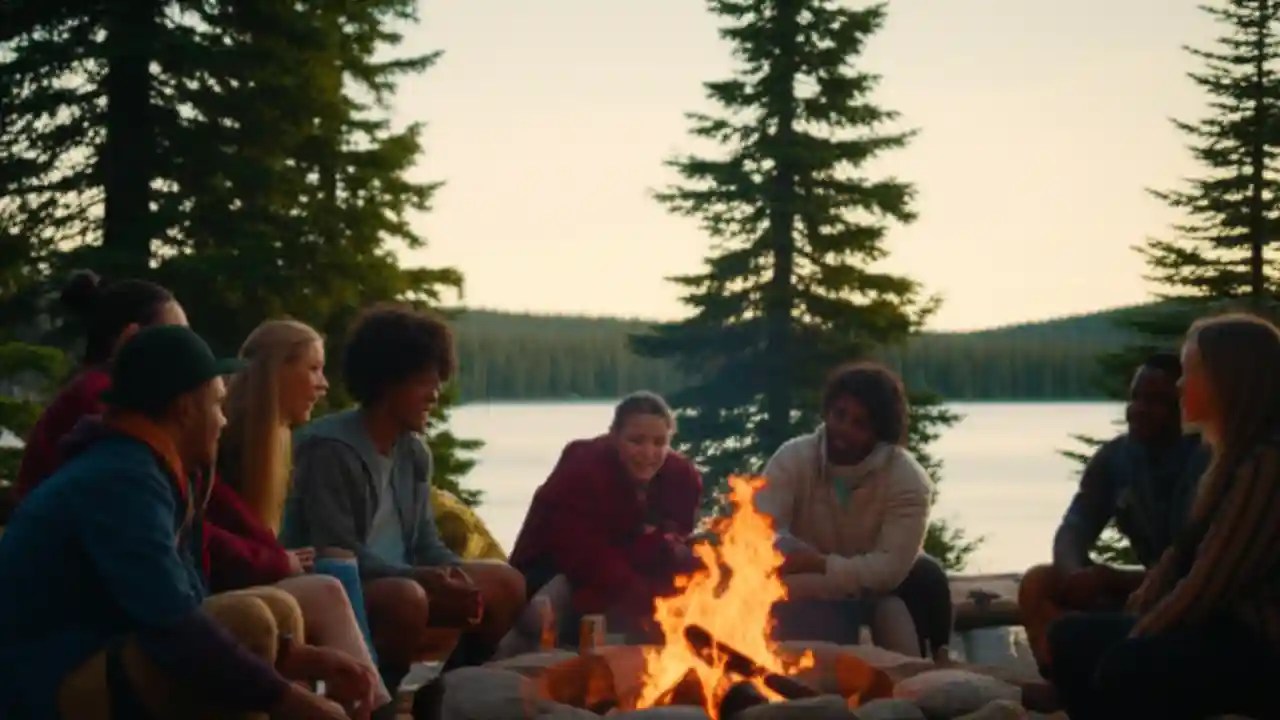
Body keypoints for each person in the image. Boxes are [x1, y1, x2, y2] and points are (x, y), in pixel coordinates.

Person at [0, 325, 371, 720]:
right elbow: (172, 622)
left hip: (95, 654)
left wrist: (299, 657)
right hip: (42, 685)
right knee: (246, 621)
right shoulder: (121, 479)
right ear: (185, 409)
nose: (223, 421)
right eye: (217, 404)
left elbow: (192, 598)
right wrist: (290, 700)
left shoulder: (152, 468)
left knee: (275, 609)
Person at [1047, 313, 1280, 720]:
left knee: (1124, 665)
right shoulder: (1225, 457)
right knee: (1071, 637)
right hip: (1213, 623)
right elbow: (1172, 558)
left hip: (1258, 642)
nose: (1180, 385)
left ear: (1228, 381)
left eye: (1190, 373)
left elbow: (1207, 584)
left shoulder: (1263, 466)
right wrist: (1128, 610)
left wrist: (1137, 636)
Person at [284, 304, 525, 680]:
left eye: (438, 381)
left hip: (407, 578)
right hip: (346, 587)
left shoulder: (413, 453)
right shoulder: (329, 449)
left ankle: (455, 689)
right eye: (424, 382)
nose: (434, 395)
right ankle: (381, 700)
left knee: (504, 582)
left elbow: (426, 542)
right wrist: (419, 577)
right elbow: (336, 551)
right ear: (386, 383)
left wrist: (453, 578)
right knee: (406, 598)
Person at [213, 319, 391, 711]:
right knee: (327, 587)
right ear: (276, 371)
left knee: (337, 567)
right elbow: (218, 538)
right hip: (218, 590)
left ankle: (367, 698)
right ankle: (375, 704)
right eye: (313, 369)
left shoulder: (276, 440)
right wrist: (278, 560)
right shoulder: (230, 442)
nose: (323, 384)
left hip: (255, 574)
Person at [1019, 353, 1209, 673]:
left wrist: (1111, 578)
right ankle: (1062, 678)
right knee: (1039, 582)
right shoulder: (1117, 457)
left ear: (1185, 406)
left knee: (1078, 630)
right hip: (1142, 589)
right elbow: (1074, 528)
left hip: (1189, 599)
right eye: (1135, 397)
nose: (1139, 409)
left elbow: (1195, 573)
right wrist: (1073, 574)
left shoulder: (1205, 462)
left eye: (1156, 401)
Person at [756, 362, 951, 659]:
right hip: (810, 583)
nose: (844, 429)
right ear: (827, 412)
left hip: (878, 584)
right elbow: (760, 531)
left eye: (860, 424)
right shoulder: (793, 458)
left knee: (919, 583)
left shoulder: (909, 480)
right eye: (840, 415)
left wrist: (820, 564)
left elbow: (887, 570)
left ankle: (926, 667)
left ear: (880, 433)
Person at [508, 392, 703, 646]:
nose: (648, 453)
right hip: (556, 573)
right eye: (636, 441)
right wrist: (647, 601)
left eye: (659, 442)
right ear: (614, 436)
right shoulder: (582, 469)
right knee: (542, 611)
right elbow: (583, 555)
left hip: (630, 573)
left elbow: (675, 538)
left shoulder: (682, 477)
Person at [16, 270, 187, 500]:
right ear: (131, 338)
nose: (187, 353)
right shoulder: (100, 400)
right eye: (175, 339)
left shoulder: (92, 390)